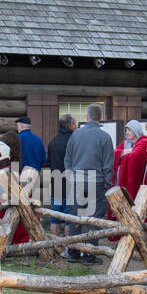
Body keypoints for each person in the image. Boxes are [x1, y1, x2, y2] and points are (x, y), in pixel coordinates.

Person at [63, 104, 114, 262]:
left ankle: (73, 252)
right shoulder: (105, 137)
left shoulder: (75, 135)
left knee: (74, 217)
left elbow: (68, 159)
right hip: (96, 181)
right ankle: (89, 254)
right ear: (100, 118)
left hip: (76, 180)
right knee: (93, 219)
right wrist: (107, 185)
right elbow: (108, 165)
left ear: (86, 117)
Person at [45, 114, 77, 236]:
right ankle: (68, 248)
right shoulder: (74, 141)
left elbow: (48, 162)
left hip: (56, 183)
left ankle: (55, 246)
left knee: (55, 218)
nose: (76, 126)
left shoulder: (53, 141)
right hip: (70, 183)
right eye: (74, 123)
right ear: (71, 125)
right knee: (69, 220)